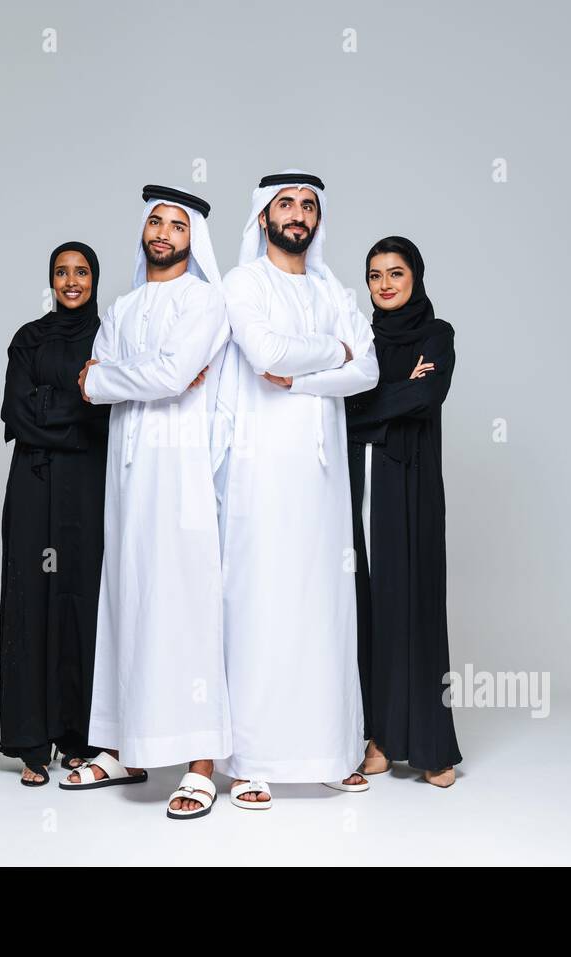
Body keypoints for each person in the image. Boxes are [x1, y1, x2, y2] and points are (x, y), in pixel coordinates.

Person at [61, 186, 233, 821]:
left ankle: (200, 763)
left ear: (194, 239)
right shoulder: (124, 306)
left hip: (183, 474)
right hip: (127, 477)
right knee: (126, 598)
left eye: (177, 226)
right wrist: (131, 376)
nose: (163, 234)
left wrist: (112, 378)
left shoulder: (206, 301)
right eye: (155, 223)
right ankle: (123, 747)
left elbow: (152, 375)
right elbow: (110, 377)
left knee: (186, 603)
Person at [211, 170, 379, 809]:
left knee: (322, 607)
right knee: (258, 604)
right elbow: (263, 353)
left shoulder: (331, 286)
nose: (298, 213)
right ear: (262, 217)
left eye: (309, 204)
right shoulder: (242, 283)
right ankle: (249, 762)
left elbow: (367, 368)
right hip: (258, 473)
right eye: (286, 203)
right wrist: (330, 353)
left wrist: (308, 378)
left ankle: (328, 752)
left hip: (321, 477)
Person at [344, 235, 462, 788]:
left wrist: (375, 401)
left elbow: (426, 396)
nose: (385, 285)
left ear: (415, 275)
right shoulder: (359, 337)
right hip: (358, 483)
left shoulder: (438, 335)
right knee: (365, 603)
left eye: (395, 273)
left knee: (413, 601)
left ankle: (432, 746)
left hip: (410, 485)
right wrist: (387, 395)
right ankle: (377, 738)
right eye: (374, 276)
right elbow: (344, 408)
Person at [0, 241, 110, 786]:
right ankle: (31, 743)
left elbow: (109, 415)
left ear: (94, 278)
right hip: (33, 486)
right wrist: (74, 404)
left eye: (81, 272)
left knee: (83, 601)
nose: (71, 281)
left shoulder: (110, 336)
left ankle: (82, 737)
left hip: (88, 488)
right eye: (61, 272)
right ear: (51, 279)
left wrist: (53, 406)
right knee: (30, 600)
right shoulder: (30, 338)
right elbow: (14, 414)